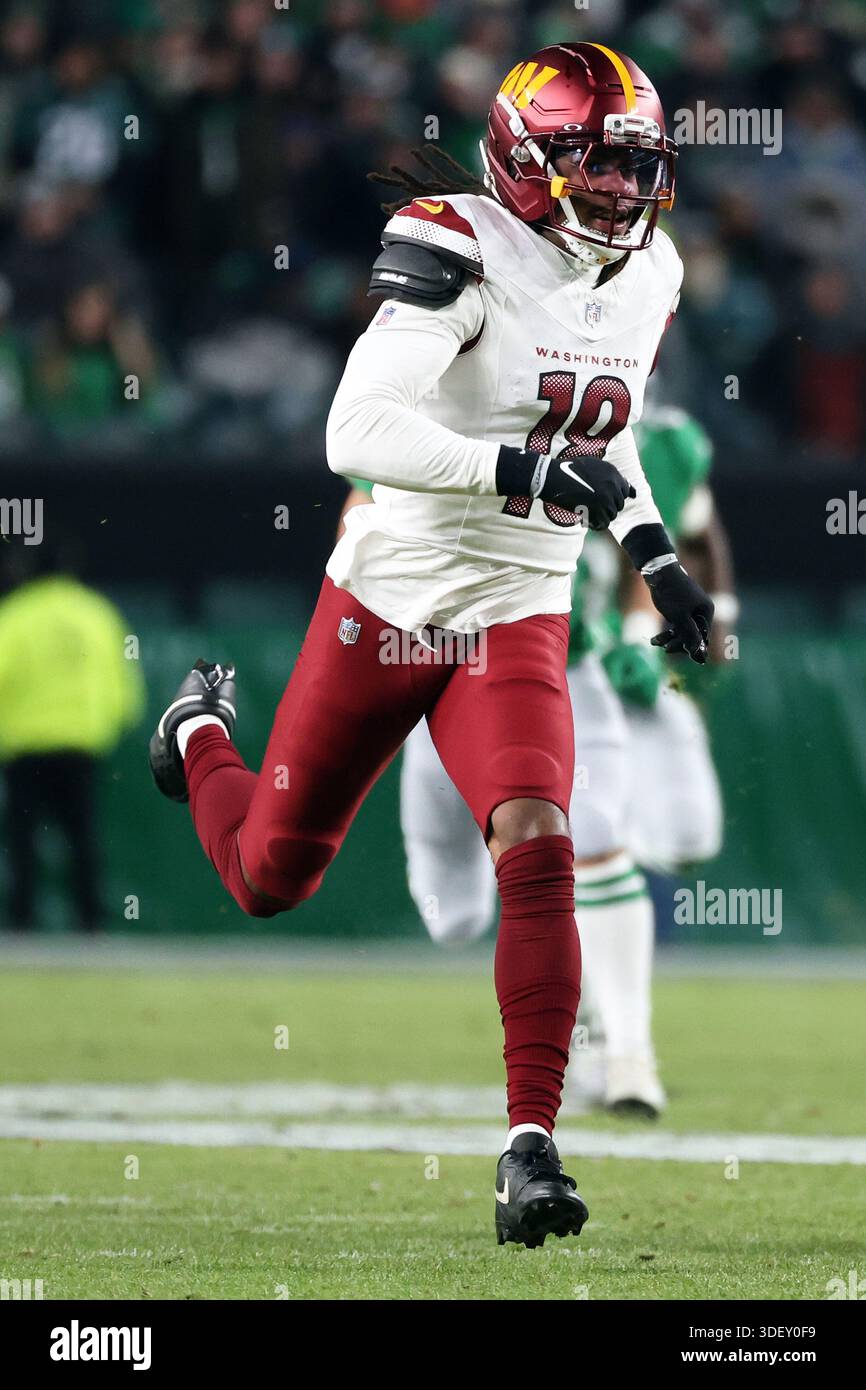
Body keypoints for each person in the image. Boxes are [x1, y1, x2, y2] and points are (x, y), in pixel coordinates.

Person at [149, 42, 713, 1249]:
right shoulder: (455, 242)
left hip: (520, 606)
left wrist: (654, 555)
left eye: (631, 167)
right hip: (389, 604)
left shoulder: (652, 270)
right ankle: (196, 728)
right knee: (267, 876)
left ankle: (527, 1145)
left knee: (539, 836)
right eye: (592, 166)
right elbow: (356, 429)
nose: (617, 191)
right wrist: (515, 466)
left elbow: (596, 433)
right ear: (524, 159)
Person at [380, 404, 732, 1119]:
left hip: (562, 663)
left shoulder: (647, 435)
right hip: (447, 662)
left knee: (597, 838)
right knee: (452, 915)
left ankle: (627, 1051)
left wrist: (637, 632)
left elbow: (652, 541)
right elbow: (362, 513)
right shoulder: (437, 403)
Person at [0, 537, 144, 931]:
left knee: (23, 838)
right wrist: (109, 725)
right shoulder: (97, 615)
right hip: (82, 744)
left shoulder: (15, 615)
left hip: (25, 746)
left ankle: (21, 924)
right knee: (82, 838)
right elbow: (123, 684)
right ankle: (90, 925)